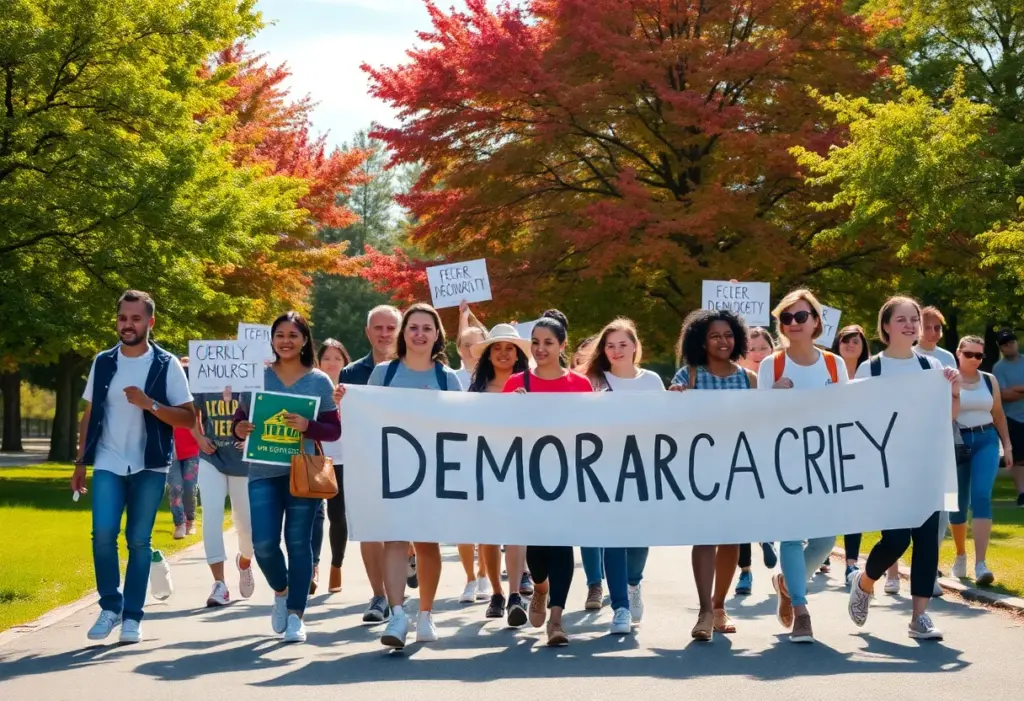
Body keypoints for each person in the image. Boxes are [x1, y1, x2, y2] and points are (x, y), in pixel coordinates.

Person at [72, 290, 196, 644]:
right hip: (109, 460)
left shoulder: (166, 364)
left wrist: (149, 404)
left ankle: (133, 616)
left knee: (139, 540)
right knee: (103, 535)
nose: (128, 324)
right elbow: (90, 413)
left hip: (150, 464)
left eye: (136, 318)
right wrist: (81, 460)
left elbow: (188, 418)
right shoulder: (104, 361)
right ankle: (110, 606)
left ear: (150, 322)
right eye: (123, 318)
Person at [847, 296, 961, 640]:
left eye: (915, 319)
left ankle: (919, 618)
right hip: (887, 471)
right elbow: (857, 419)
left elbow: (946, 419)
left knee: (927, 542)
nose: (911, 325)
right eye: (902, 319)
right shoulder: (871, 369)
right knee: (895, 540)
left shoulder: (931, 369)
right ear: (885, 326)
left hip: (926, 467)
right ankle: (865, 582)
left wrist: (953, 392)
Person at [232, 312, 340, 644]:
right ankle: (281, 590)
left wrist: (309, 426)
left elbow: (334, 429)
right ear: (272, 340)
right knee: (263, 544)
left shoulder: (319, 381)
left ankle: (296, 615)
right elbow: (240, 418)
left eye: (293, 335)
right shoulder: (257, 377)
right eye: (280, 335)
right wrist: (240, 428)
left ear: (305, 340)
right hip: (263, 472)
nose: (286, 341)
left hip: (301, 474)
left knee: (299, 545)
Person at [368, 303, 463, 649]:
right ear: (402, 333)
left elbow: (463, 428)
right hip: (392, 470)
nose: (419, 334)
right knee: (394, 540)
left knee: (426, 544)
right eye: (413, 327)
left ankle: (425, 613)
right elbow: (368, 418)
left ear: (437, 335)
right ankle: (396, 615)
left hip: (434, 472)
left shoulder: (447, 378)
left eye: (427, 328)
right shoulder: (384, 373)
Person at [757, 288, 847, 643]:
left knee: (825, 541)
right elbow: (757, 418)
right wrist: (773, 398)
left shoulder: (833, 364)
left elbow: (848, 411)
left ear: (815, 323)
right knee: (791, 537)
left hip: (825, 462)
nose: (793, 323)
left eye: (800, 316)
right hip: (785, 463)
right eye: (786, 318)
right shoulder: (771, 365)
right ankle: (801, 610)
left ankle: (785, 582)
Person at [504, 310, 592, 646]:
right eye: (536, 342)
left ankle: (557, 619)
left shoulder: (579, 385)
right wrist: (512, 409)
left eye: (548, 343)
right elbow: (499, 432)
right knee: (537, 548)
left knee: (561, 544)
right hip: (528, 477)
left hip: (568, 476)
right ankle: (539, 586)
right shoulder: (516, 384)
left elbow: (591, 429)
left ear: (562, 345)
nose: (541, 349)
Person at [669, 309, 756, 641]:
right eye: (715, 336)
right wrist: (673, 400)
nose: (723, 341)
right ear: (701, 341)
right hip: (701, 469)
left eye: (729, 335)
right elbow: (669, 418)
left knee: (731, 539)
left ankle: (720, 606)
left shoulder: (748, 379)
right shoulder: (688, 375)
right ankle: (705, 610)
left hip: (738, 468)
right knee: (704, 537)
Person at [577, 317, 664, 633]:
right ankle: (620, 608)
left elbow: (665, 422)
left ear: (634, 347)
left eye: (622, 344)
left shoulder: (652, 381)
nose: (616, 350)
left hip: (643, 468)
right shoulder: (592, 381)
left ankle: (632, 583)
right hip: (605, 469)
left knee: (638, 537)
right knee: (613, 537)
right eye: (610, 345)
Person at [467, 323, 533, 623]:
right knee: (488, 535)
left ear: (518, 353)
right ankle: (496, 592)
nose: (504, 354)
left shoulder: (531, 386)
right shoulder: (476, 389)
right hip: (484, 464)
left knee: (517, 529)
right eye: (497, 348)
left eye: (510, 348)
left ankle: (516, 593)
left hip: (521, 465)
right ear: (488, 354)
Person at [342, 305, 402, 624]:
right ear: (367, 332)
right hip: (365, 459)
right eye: (378, 328)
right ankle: (379, 596)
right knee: (370, 529)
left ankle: (406, 567)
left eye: (391, 328)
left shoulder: (414, 370)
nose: (384, 334)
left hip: (406, 463)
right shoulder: (351, 374)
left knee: (403, 531)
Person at [950, 336, 1013, 585]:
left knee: (981, 496)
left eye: (979, 356)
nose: (974, 359)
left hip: (986, 439)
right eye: (969, 354)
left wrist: (1007, 445)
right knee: (957, 502)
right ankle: (960, 555)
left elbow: (998, 414)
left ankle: (981, 563)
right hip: (958, 442)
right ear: (958, 353)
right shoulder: (947, 379)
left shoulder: (989, 380)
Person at [194, 384, 255, 607]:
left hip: (245, 462)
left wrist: (252, 439)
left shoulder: (253, 376)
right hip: (211, 458)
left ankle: (245, 561)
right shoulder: (207, 376)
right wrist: (199, 437)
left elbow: (265, 412)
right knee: (211, 518)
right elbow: (190, 411)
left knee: (248, 528)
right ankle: (219, 584)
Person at [453, 302, 492, 604]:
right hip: (460, 455)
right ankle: (469, 576)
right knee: (463, 520)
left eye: (477, 343)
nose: (471, 348)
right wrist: (462, 318)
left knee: (487, 520)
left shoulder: (495, 378)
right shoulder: (453, 377)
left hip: (491, 455)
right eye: (466, 344)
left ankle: (485, 574)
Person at [735, 326, 778, 596]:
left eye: (764, 348)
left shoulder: (780, 377)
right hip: (740, 453)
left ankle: (766, 535)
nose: (758, 354)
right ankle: (745, 572)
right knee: (740, 513)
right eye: (752, 349)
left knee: (766, 502)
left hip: (770, 451)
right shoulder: (738, 381)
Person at [310, 339, 351, 595]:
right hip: (316, 457)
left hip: (344, 459)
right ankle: (312, 567)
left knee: (338, 515)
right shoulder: (312, 386)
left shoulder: (354, 389)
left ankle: (336, 566)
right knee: (314, 514)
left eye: (338, 358)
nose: (332, 363)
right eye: (327, 358)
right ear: (318, 361)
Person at [831, 324, 871, 584]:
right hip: (829, 444)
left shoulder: (871, 374)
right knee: (830, 503)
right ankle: (822, 550)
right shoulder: (826, 370)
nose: (850, 344)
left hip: (860, 446)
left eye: (856, 340)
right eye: (845, 340)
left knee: (854, 505)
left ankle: (851, 563)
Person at [168, 358, 200, 540]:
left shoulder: (196, 396)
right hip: (171, 449)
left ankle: (191, 520)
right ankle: (179, 523)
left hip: (191, 447)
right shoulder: (166, 393)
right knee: (175, 487)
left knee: (189, 487)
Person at [992, 329, 1024, 508]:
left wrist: (1016, 389)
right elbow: (1004, 394)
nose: (1009, 346)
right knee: (1019, 458)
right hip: (1012, 417)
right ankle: (1022, 493)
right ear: (1001, 348)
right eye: (1005, 344)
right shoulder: (999, 368)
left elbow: (1011, 392)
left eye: (1011, 342)